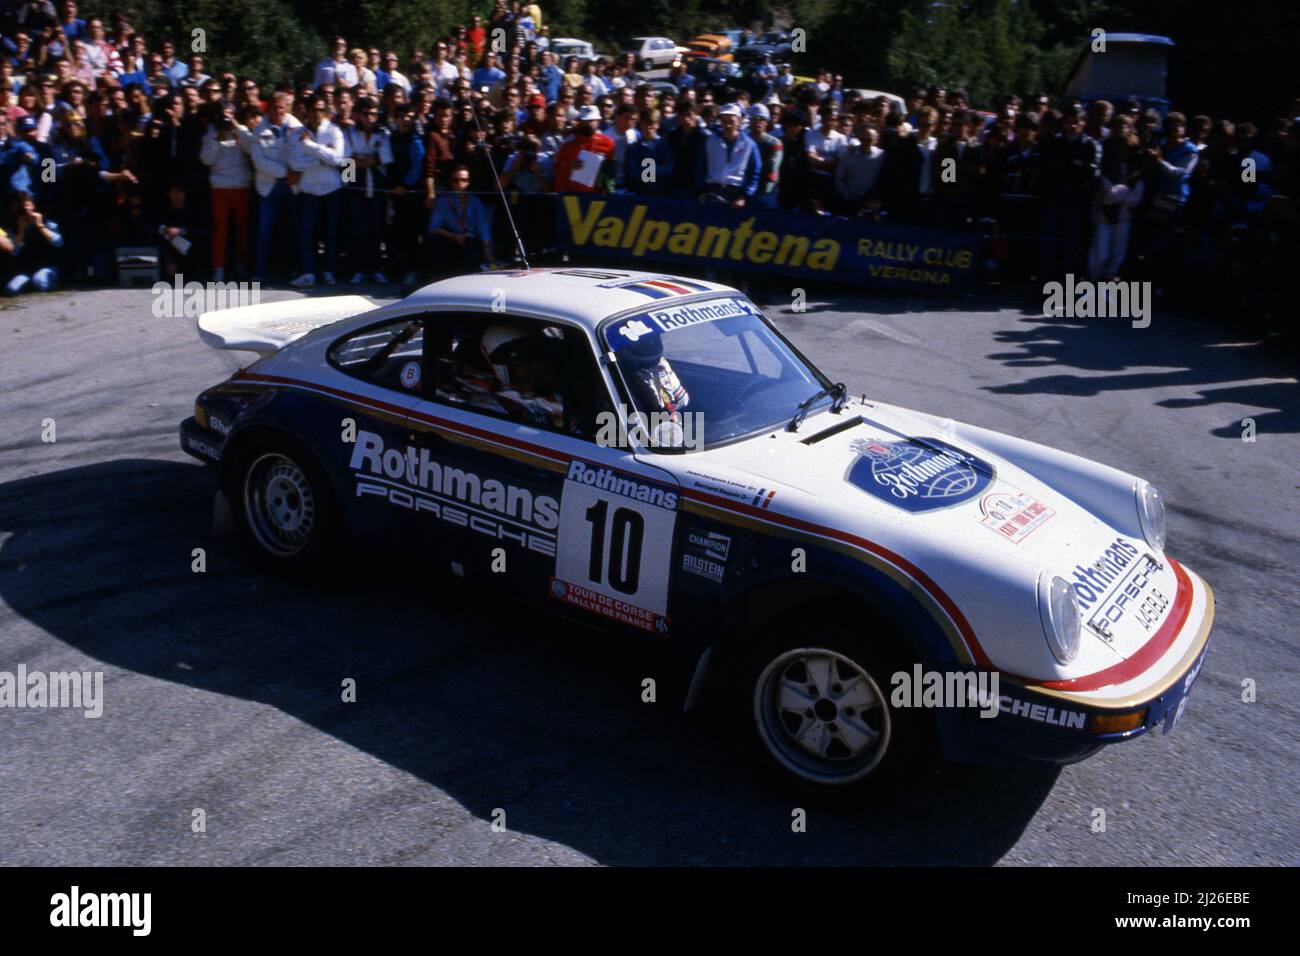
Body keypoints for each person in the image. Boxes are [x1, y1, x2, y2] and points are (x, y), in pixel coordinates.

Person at [288, 95, 345, 287]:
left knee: (330, 234)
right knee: (306, 233)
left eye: (320, 110)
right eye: (313, 110)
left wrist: (310, 146)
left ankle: (328, 271)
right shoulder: (297, 134)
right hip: (308, 190)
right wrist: (321, 156)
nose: (316, 114)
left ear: (325, 111)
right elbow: (294, 162)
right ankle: (308, 272)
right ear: (307, 111)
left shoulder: (334, 130)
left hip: (331, 189)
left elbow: (338, 159)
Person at [248, 91, 300, 281]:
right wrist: (285, 172)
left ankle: (296, 270)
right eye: (274, 107)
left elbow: (305, 153)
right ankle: (259, 272)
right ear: (268, 108)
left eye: (281, 107)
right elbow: (258, 161)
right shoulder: (258, 130)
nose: (278, 111)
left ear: (286, 108)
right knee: (263, 230)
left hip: (294, 186)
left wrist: (297, 173)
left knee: (294, 229)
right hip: (269, 186)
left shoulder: (297, 127)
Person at [199, 102, 253, 280]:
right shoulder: (212, 132)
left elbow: (252, 148)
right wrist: (217, 140)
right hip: (220, 186)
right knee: (220, 228)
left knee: (243, 228)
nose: (226, 118)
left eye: (230, 113)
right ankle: (218, 266)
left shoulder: (242, 130)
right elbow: (206, 160)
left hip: (241, 185)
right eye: (224, 114)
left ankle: (241, 264)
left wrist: (237, 127)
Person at [343, 96, 393, 283]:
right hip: (355, 188)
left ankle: (377, 269)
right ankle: (359, 269)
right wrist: (369, 159)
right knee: (357, 230)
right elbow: (346, 161)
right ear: (358, 115)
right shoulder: (349, 133)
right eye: (367, 114)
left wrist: (361, 158)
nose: (371, 117)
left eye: (374, 113)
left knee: (376, 230)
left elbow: (386, 158)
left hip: (378, 188)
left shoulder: (383, 133)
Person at [427, 164, 493, 273]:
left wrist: (487, 250)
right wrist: (454, 236)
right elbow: (433, 227)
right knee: (435, 243)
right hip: (450, 239)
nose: (459, 184)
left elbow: (483, 226)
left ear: (468, 182)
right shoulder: (443, 201)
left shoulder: (475, 201)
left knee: (476, 255)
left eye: (464, 180)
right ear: (450, 182)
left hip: (470, 240)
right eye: (455, 180)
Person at [699, 102, 759, 207]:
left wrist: (744, 196)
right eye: (724, 121)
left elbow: (754, 172)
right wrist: (700, 191)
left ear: (739, 121)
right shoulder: (710, 141)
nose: (727, 125)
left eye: (731, 121)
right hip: (712, 191)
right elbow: (700, 167)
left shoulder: (749, 144)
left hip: (735, 193)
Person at [553, 104, 613, 193]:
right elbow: (557, 169)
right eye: (585, 120)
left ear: (598, 121)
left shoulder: (608, 143)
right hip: (573, 195)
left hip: (597, 196)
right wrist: (570, 166)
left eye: (591, 120)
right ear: (579, 122)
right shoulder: (568, 144)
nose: (588, 124)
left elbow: (610, 173)